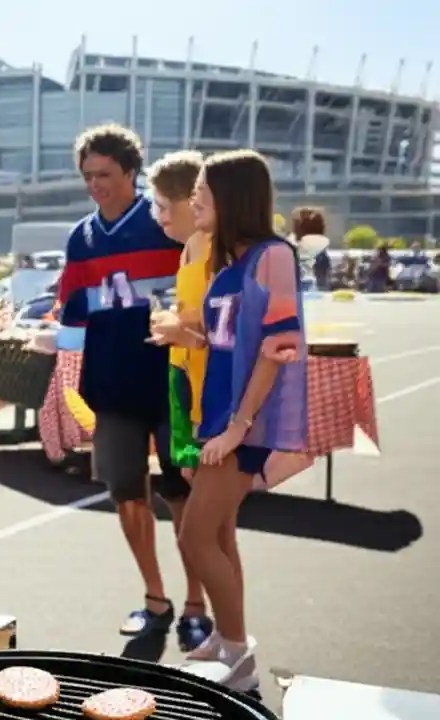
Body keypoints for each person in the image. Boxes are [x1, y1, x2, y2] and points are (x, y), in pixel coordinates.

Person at [180, 149, 307, 692]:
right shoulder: (229, 264)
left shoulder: (274, 256)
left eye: (203, 190)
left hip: (244, 424)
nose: (194, 199)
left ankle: (237, 652)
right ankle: (233, 645)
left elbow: (279, 347)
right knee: (219, 533)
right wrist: (181, 335)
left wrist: (238, 425)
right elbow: (229, 341)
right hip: (219, 419)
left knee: (194, 536)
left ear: (232, 196)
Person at [54, 125, 185, 640]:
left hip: (174, 382)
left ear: (132, 171)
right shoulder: (80, 237)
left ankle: (198, 603)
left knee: (182, 495)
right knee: (126, 494)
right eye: (87, 176)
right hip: (110, 387)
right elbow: (72, 316)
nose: (95, 185)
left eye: (104, 174)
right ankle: (155, 598)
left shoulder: (168, 224)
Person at [143, 151, 215, 652]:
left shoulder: (214, 252)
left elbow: (214, 333)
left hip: (207, 401)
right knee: (183, 510)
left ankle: (218, 626)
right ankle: (212, 625)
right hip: (181, 391)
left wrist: (175, 327)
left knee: (209, 526)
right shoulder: (189, 251)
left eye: (165, 205)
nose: (159, 216)